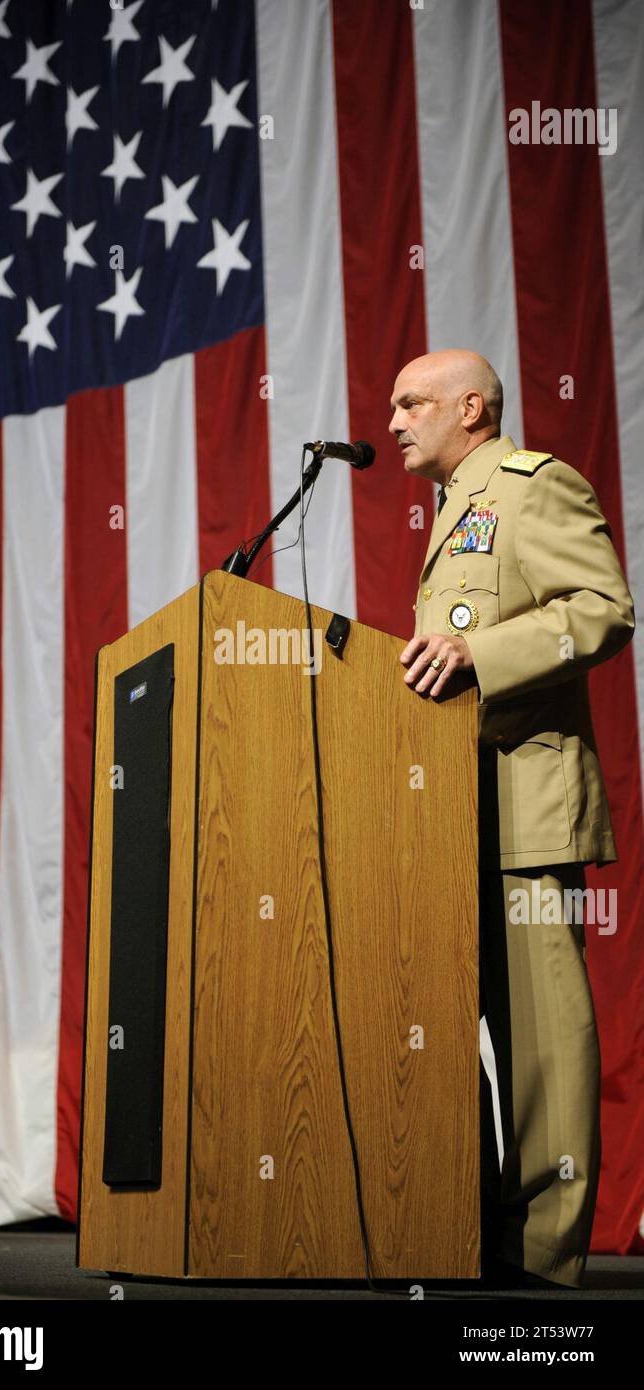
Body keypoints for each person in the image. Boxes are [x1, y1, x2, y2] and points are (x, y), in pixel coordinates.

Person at [391, 348, 635, 1289]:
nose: (397, 421)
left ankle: (543, 1252)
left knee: (540, 1032)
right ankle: (490, 1227)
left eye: (414, 403)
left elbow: (605, 609)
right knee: (470, 1022)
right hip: (459, 810)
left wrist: (479, 651)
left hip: (529, 804)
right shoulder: (456, 505)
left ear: (473, 407)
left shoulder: (532, 487)